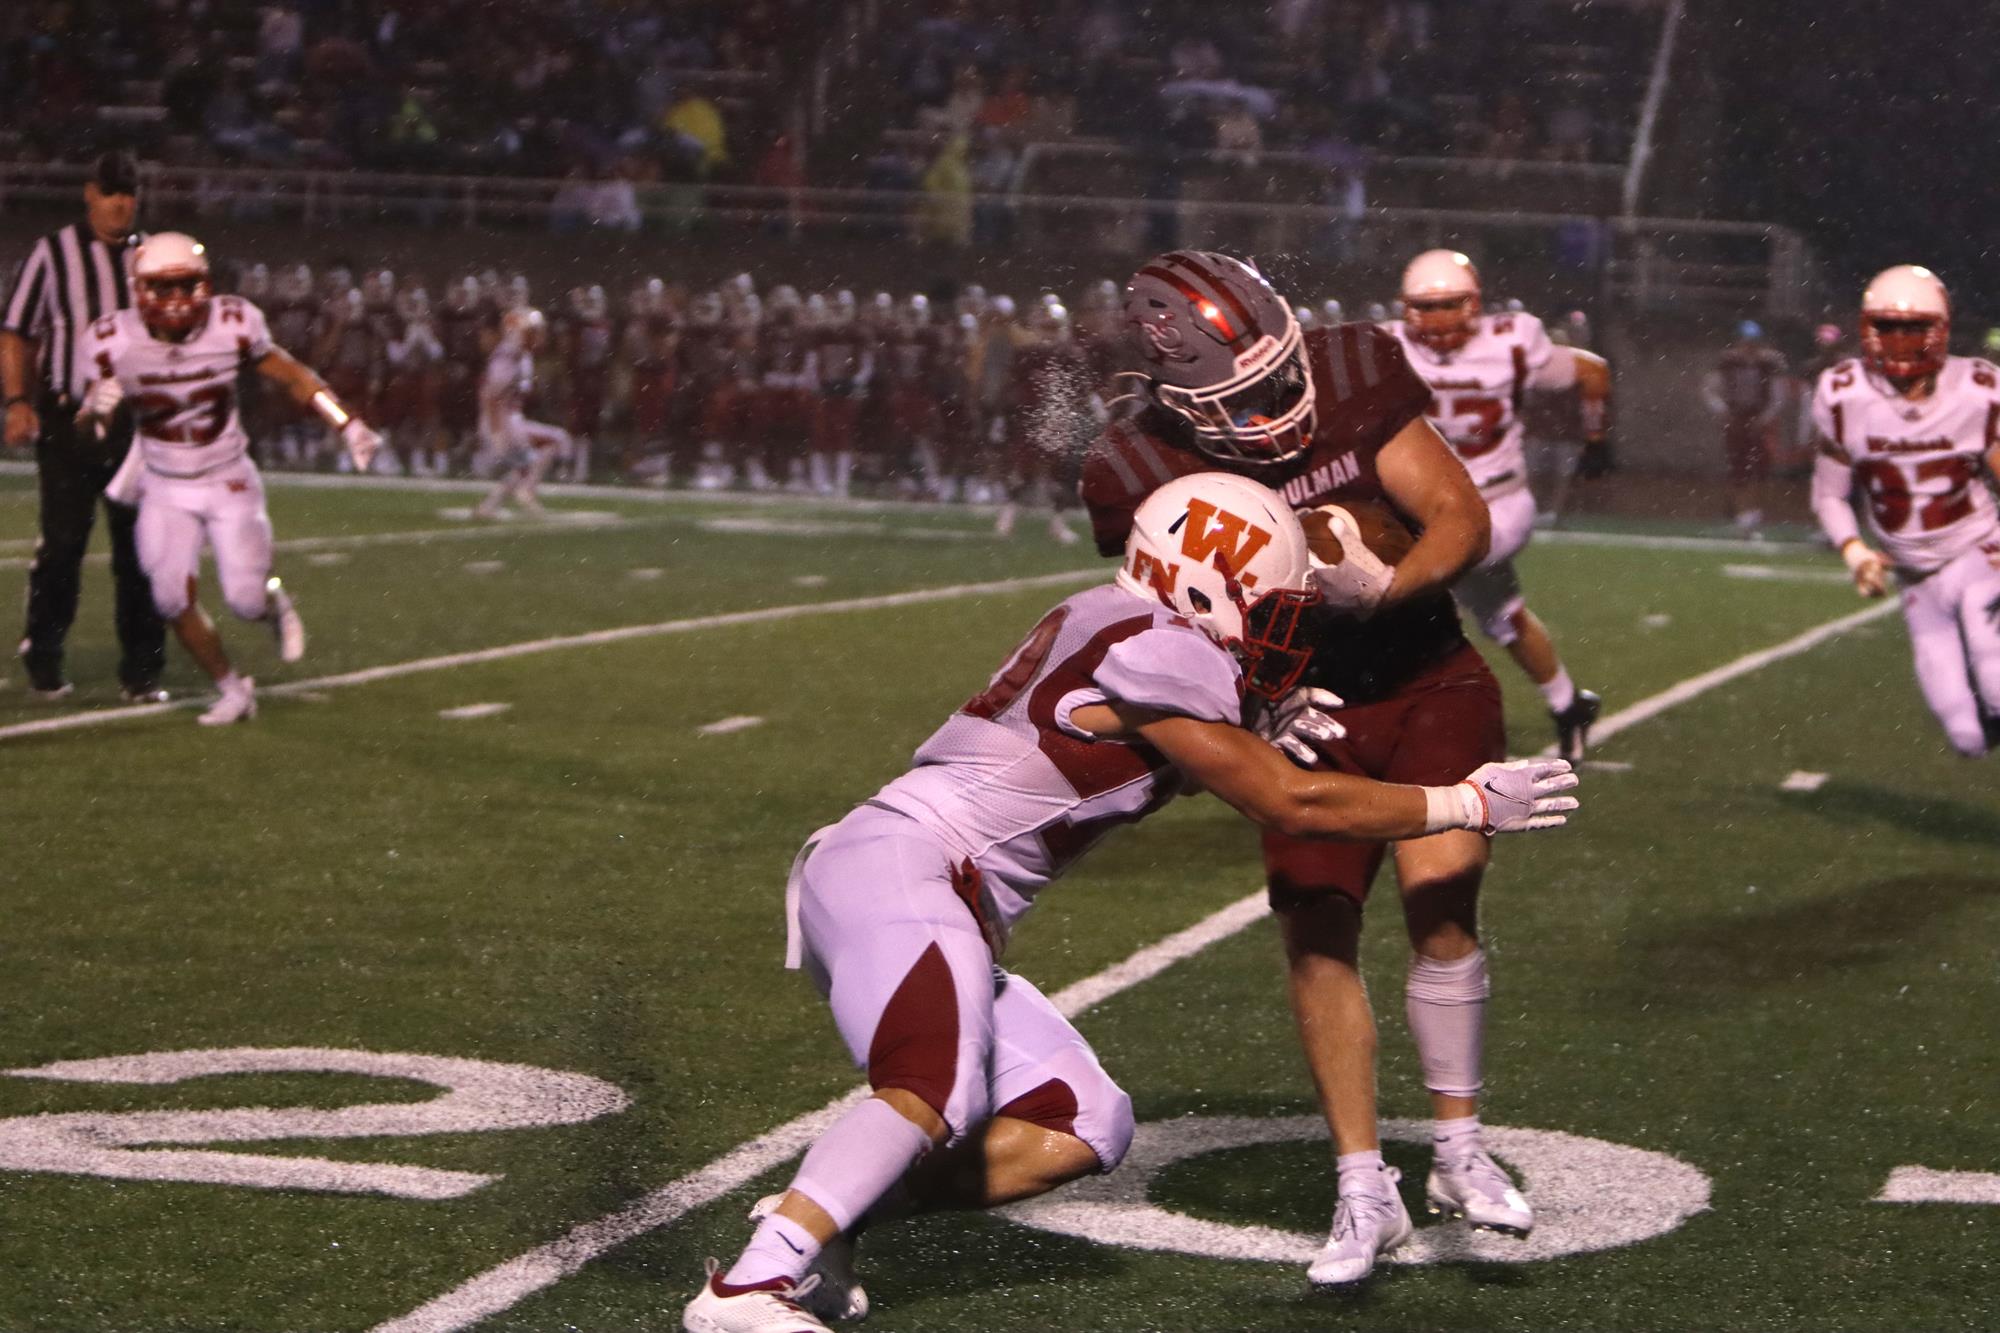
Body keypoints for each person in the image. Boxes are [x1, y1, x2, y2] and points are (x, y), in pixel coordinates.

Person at [682, 471, 1579, 1332]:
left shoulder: (1119, 622)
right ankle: (752, 1279)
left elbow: (1132, 765)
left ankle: (834, 1221)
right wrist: (1461, 802)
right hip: (908, 867)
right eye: (1266, 606)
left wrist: (1243, 729)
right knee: (933, 1086)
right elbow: (1290, 800)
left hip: (918, 882)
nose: (1278, 630)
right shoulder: (1158, 643)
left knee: (1081, 1119)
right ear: (1201, 584)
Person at [1079, 250, 1532, 1285]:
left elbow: (1460, 516)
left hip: (1425, 675)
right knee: (1317, 928)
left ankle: (1459, 1150)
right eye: (1251, 395)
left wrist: (1375, 588)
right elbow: (1164, 626)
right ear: (1181, 400)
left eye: (1286, 375)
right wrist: (1248, 703)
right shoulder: (1136, 467)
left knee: (1440, 899)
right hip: (1294, 716)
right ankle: (1361, 1183)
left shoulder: (1352, 367)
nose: (1286, 401)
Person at [75, 232, 381, 725]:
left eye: (186, 285)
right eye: (163, 287)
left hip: (226, 478)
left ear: (206, 285)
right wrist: (94, 411)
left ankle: (272, 602)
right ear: (138, 288)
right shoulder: (111, 340)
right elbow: (89, 425)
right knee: (169, 596)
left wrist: (347, 422)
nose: (176, 300)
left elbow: (292, 374)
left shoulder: (231, 323)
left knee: (244, 600)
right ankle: (233, 689)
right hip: (164, 481)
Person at [1389, 250, 1613, 759]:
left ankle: (1419, 708)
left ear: (1475, 304)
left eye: (1450, 304)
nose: (1440, 319)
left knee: (1407, 588)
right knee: (1502, 616)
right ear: (1407, 309)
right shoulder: (1387, 345)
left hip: (1498, 502)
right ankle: (1567, 704)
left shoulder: (1513, 341)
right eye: (1428, 306)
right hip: (1428, 505)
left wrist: (1596, 438)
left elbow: (1593, 372)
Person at [1810, 265, 2000, 757]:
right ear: (1866, 328)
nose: (1898, 341)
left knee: (1997, 677)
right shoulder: (1843, 393)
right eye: (1887, 327)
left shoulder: (1978, 389)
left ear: (1939, 330)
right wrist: (1856, 553)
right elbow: (1829, 493)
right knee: (1966, 737)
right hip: (1914, 574)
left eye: (1913, 328)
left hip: (1979, 549)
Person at [2, 150, 168, 702]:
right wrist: (17, 401)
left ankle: (143, 670)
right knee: (64, 543)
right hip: (68, 418)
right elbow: (17, 331)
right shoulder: (53, 254)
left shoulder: (153, 258)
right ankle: (44, 658)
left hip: (136, 427)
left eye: (129, 193)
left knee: (139, 549)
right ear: (89, 194)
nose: (121, 203)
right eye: (111, 192)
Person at [472, 307, 571, 520]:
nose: (538, 336)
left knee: (528, 461)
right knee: (551, 443)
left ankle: (490, 505)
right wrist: (497, 435)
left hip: (510, 420)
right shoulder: (508, 358)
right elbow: (491, 398)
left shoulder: (521, 355)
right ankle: (525, 492)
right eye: (532, 332)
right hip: (501, 421)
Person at [1703, 318, 1790, 536]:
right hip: (1737, 418)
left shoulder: (1768, 364)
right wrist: (1724, 411)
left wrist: (1765, 417)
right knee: (1738, 467)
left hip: (1759, 419)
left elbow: (1778, 394)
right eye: (1746, 341)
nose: (1749, 346)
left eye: (1753, 342)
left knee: (1761, 468)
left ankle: (1754, 513)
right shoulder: (1728, 362)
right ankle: (1741, 513)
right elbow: (1710, 389)